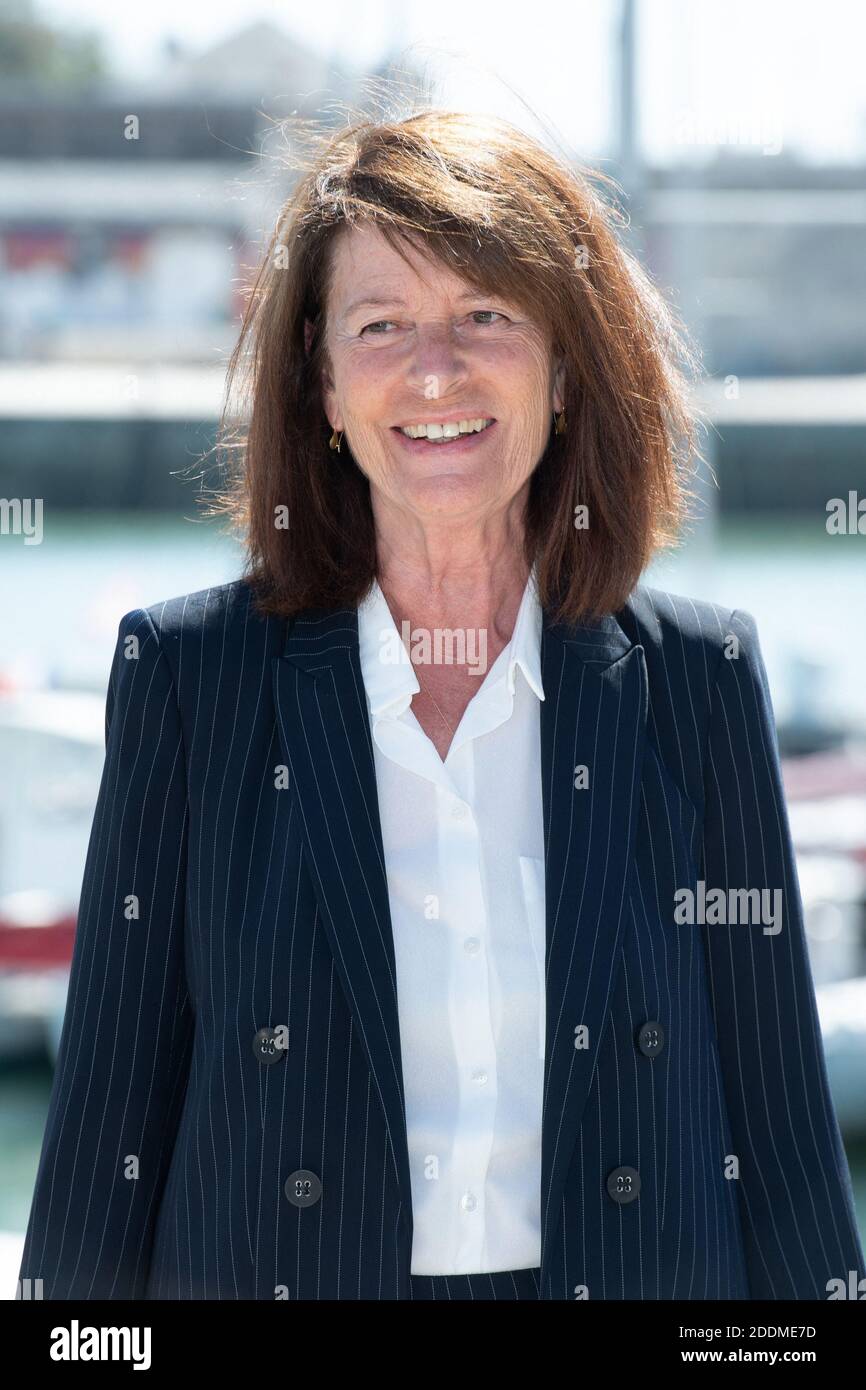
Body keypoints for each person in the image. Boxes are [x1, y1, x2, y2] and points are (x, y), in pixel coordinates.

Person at [18, 109, 865, 1301]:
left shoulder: (696, 681)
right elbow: (107, 1131)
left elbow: (778, 1139)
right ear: (319, 382)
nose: (433, 369)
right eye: (379, 326)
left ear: (567, 367)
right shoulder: (189, 680)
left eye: (485, 315)